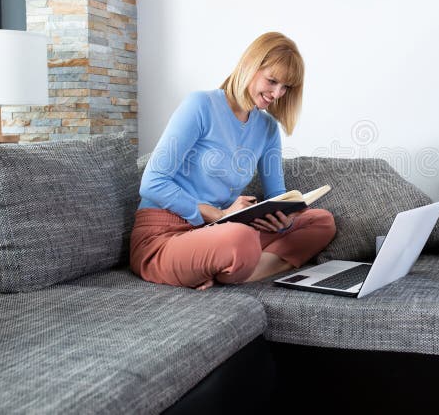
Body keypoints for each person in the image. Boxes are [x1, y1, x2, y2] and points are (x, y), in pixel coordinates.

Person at [131, 32, 337, 290]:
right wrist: (220, 214)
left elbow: (278, 195)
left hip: (217, 231)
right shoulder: (200, 105)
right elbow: (151, 183)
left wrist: (284, 218)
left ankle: (236, 270)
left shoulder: (267, 129)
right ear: (250, 66)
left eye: (285, 88)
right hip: (164, 233)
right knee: (240, 238)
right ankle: (234, 264)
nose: (277, 93)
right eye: (272, 81)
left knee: (320, 221)